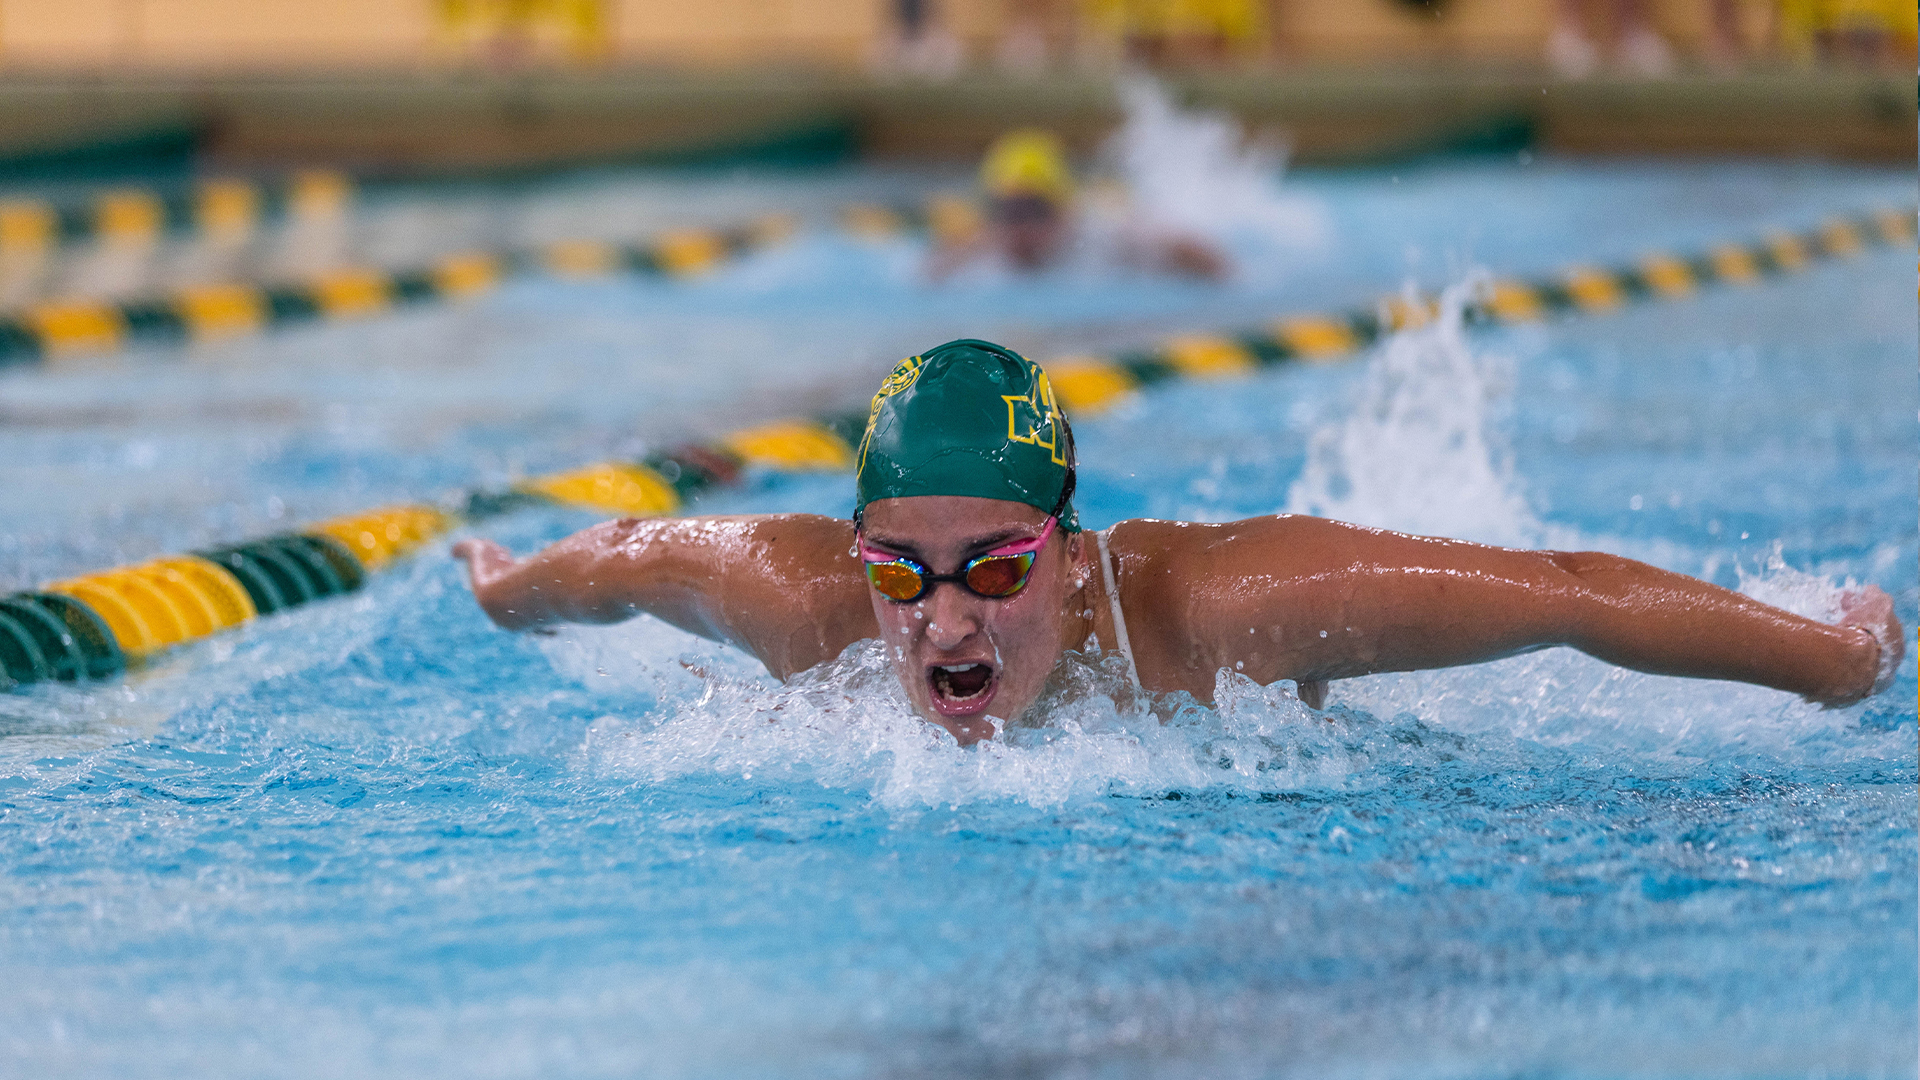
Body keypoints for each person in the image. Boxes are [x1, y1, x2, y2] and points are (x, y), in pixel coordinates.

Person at [454, 340, 1903, 747]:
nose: (943, 623)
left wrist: (1829, 666)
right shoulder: (801, 603)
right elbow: (633, 554)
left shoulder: (1224, 612)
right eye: (901, 570)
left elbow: (1565, 597)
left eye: (997, 569)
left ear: (1069, 553)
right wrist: (513, 596)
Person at [927, 130, 1227, 281]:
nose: (1020, 228)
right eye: (1008, 212)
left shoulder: (1102, 236)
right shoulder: (983, 246)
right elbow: (925, 276)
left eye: (1034, 210)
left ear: (1063, 211)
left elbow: (1197, 254)